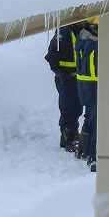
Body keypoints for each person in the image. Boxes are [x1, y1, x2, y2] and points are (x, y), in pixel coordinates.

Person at [44, 21, 83, 153]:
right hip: (66, 77)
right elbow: (51, 56)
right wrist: (62, 73)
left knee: (76, 107)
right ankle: (68, 137)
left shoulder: (79, 30)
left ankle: (71, 135)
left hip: (76, 77)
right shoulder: (64, 32)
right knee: (68, 108)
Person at [74, 17, 101, 171]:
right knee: (97, 121)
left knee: (89, 117)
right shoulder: (95, 44)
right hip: (95, 86)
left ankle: (83, 150)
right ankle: (92, 155)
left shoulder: (83, 40)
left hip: (84, 85)